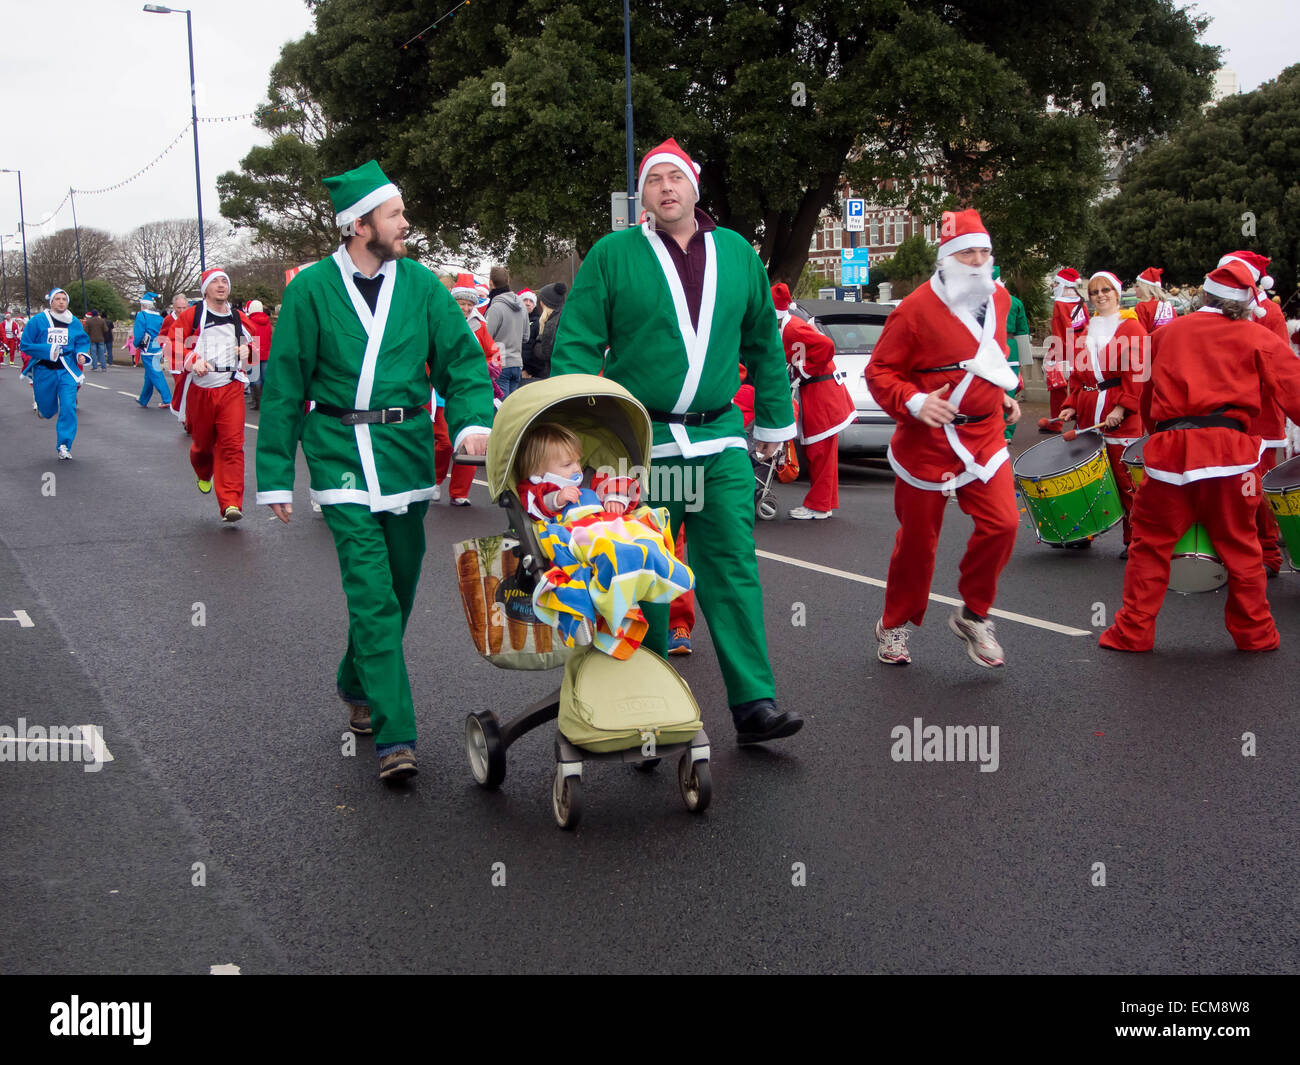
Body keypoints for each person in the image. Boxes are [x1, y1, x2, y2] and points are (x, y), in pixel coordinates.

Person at [552, 136, 802, 745]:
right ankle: (645, 708)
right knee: (640, 576)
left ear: (695, 186)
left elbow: (765, 345)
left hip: (718, 439)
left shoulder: (738, 252)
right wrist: (575, 432)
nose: (666, 187)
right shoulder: (614, 254)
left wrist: (773, 424)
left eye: (675, 177)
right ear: (644, 198)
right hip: (642, 442)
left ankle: (753, 704)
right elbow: (577, 345)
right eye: (654, 181)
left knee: (733, 568)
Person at [255, 160, 494, 783]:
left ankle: (353, 678)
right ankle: (397, 737)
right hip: (338, 455)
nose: (405, 222)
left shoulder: (420, 284)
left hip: (407, 455)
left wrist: (471, 422)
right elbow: (284, 385)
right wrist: (277, 473)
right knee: (372, 595)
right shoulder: (308, 290)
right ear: (359, 225)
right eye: (394, 214)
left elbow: (462, 362)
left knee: (402, 591)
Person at [1099, 258, 1300, 652]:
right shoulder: (1255, 336)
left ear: (1206, 294)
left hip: (1170, 456)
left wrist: (1160, 436)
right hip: (1232, 459)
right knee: (1242, 547)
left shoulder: (1166, 335)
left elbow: (1147, 395)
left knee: (1150, 546)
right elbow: (1293, 390)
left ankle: (1132, 632)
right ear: (1244, 302)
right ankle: (1255, 635)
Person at [866, 209, 1021, 668]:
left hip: (985, 433)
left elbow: (994, 355)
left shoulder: (1001, 298)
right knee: (918, 542)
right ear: (945, 258)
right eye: (966, 252)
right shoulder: (912, 309)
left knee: (1005, 524)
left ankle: (974, 614)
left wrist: (1002, 394)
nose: (977, 260)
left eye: (984, 251)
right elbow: (879, 371)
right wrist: (915, 402)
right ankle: (893, 624)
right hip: (926, 440)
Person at [517, 422, 692, 658]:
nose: (577, 468)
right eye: (568, 465)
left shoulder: (583, 482)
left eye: (577, 461)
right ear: (539, 471)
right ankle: (617, 607)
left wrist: (615, 498)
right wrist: (556, 499)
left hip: (605, 524)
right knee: (612, 552)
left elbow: (613, 483)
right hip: (577, 531)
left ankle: (661, 570)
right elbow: (534, 506)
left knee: (645, 535)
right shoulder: (539, 488)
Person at [1057, 270, 1147, 555]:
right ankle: (1085, 530)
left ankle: (1134, 539)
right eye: (1095, 292)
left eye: (1106, 290)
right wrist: (1071, 404)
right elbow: (1077, 376)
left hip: (1117, 412)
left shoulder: (1132, 329)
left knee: (1125, 480)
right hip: (1089, 413)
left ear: (1117, 293)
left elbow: (1137, 373)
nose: (1100, 296)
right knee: (1089, 477)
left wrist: (1123, 407)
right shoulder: (1085, 331)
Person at [1217, 251, 1294, 576]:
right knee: (1227, 486)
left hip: (1259, 415)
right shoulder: (1216, 316)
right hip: (1223, 415)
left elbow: (1281, 368)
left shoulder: (1270, 313)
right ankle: (1232, 551)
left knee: (1256, 486)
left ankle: (1268, 553)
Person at [161, 268, 256, 521]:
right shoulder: (193, 315)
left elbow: (255, 347)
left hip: (231, 386)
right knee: (202, 446)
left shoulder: (238, 316)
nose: (221, 285)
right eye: (215, 282)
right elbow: (171, 343)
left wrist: (248, 351)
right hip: (201, 390)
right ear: (205, 289)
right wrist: (193, 359)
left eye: (225, 281)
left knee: (232, 445)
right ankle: (204, 472)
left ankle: (231, 503)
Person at [770, 282, 854, 518]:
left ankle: (818, 506)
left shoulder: (792, 329)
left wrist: (805, 370)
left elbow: (826, 346)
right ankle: (823, 503)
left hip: (822, 391)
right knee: (822, 451)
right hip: (820, 390)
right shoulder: (790, 326)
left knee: (820, 451)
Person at [20, 287, 91, 460]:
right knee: (48, 409)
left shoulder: (73, 322)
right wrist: (49, 350)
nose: (61, 302)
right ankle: (44, 410)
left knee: (68, 406)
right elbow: (25, 345)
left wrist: (81, 354)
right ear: (51, 302)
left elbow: (81, 341)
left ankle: (64, 445)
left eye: (64, 299)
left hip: (66, 371)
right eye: (57, 299)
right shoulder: (38, 321)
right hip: (44, 370)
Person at [1044, 267, 1089, 433]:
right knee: (1083, 386)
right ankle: (1083, 420)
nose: (1054, 285)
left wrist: (1056, 356)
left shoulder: (1059, 304)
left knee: (1058, 387)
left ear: (1062, 284)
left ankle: (1056, 423)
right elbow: (1086, 326)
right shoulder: (1080, 300)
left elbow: (1059, 330)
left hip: (1063, 348)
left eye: (1056, 282)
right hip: (1081, 347)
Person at [992, 265, 1030, 444]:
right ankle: (1006, 432)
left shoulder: (978, 301)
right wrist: (1024, 360)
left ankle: (993, 429)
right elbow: (1023, 331)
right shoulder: (1015, 302)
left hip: (989, 348)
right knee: (1010, 390)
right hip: (1011, 348)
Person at [486, 266, 527, 398]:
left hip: (499, 365)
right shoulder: (522, 306)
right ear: (508, 280)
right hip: (517, 363)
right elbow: (526, 336)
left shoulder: (495, 308)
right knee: (512, 410)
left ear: (491, 282)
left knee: (500, 411)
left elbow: (486, 337)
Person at [132, 293, 172, 409]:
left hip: (147, 348)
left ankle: (167, 398)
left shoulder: (141, 315)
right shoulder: (159, 317)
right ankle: (143, 399)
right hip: (158, 346)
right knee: (150, 374)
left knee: (155, 373)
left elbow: (139, 333)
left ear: (143, 305)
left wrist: (135, 344)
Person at [532, 282, 566, 379]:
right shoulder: (564, 316)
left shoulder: (551, 323)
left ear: (545, 303)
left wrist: (537, 343)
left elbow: (545, 353)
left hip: (554, 373)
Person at [245, 299, 273, 409]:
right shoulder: (268, 322)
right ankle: (267, 401)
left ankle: (257, 402)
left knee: (255, 379)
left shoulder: (249, 322)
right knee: (265, 378)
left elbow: (247, 338)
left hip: (253, 352)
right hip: (266, 352)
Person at [1134, 267, 1176, 333]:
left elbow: (1141, 334)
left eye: (1137, 286)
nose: (1135, 289)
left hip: (1152, 342)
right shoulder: (1168, 305)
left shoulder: (1141, 307)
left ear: (1145, 287)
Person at [518, 288, 542, 381]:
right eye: (525, 300)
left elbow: (538, 349)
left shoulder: (538, 323)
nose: (528, 303)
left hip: (530, 374)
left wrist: (529, 370)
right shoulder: (515, 321)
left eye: (531, 301)